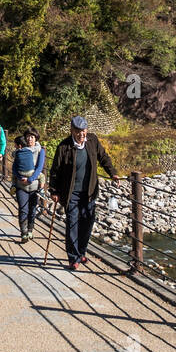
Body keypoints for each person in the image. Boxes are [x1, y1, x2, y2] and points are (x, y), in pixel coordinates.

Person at [48, 115, 120, 270]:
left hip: (89, 192)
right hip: (71, 193)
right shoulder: (64, 147)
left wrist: (112, 173)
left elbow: (103, 157)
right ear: (72, 130)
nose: (82, 134)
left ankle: (81, 252)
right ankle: (73, 258)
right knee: (72, 224)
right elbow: (55, 170)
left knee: (87, 223)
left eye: (84, 130)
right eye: (78, 131)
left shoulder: (92, 141)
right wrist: (53, 190)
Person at [12, 125, 45, 242]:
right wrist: (20, 177)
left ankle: (30, 229)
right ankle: (24, 233)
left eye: (32, 137)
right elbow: (14, 167)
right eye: (28, 137)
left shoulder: (41, 151)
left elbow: (39, 168)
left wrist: (31, 179)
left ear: (36, 138)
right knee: (23, 209)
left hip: (34, 185)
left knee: (32, 209)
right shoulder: (19, 151)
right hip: (21, 185)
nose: (30, 139)